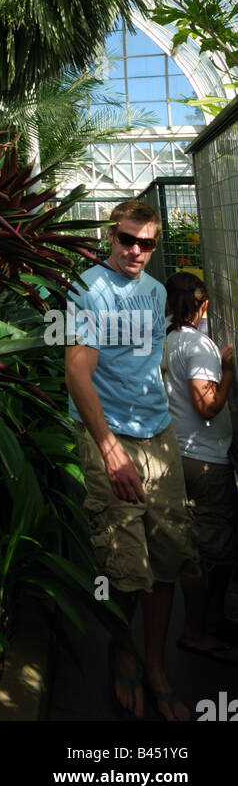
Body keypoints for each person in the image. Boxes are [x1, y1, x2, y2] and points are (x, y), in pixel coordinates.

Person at [65, 199, 199, 722]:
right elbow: (79, 374)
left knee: (167, 557)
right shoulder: (87, 289)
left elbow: (149, 364)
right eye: (127, 240)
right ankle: (122, 652)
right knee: (124, 565)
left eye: (147, 243)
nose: (136, 251)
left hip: (158, 434)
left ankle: (156, 666)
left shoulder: (158, 291)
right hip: (110, 438)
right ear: (110, 236)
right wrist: (109, 450)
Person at [164, 272, 238, 662]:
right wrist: (226, 375)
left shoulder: (170, 339)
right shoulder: (197, 346)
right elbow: (206, 405)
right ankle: (201, 627)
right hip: (205, 458)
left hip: (180, 454)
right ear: (204, 305)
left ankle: (205, 622)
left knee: (193, 544)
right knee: (215, 546)